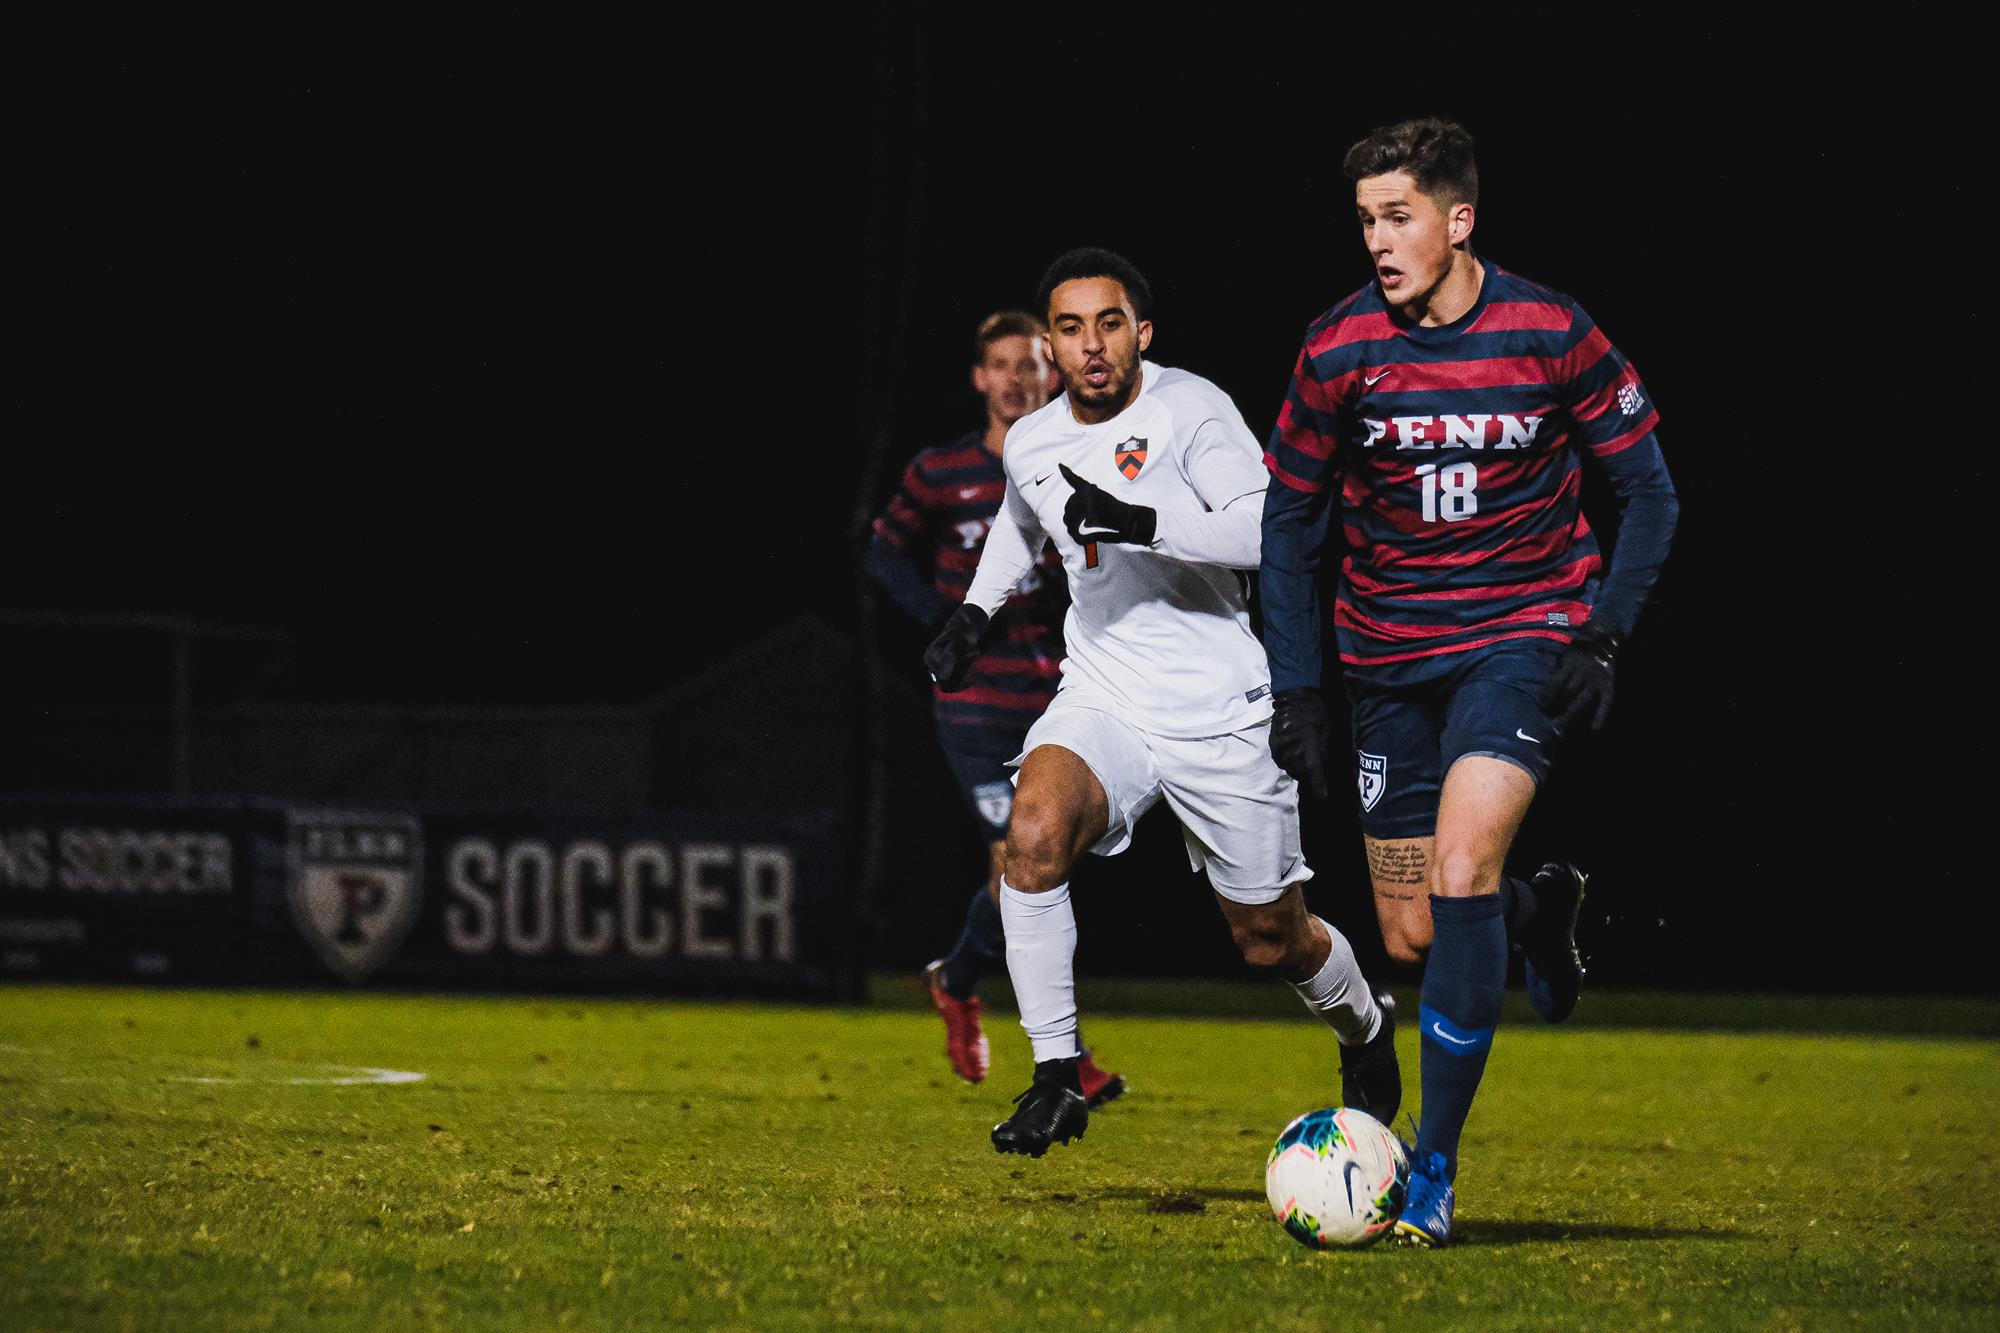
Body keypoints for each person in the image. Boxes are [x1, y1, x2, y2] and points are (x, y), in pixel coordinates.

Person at [1259, 118, 1679, 1245]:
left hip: (1518, 637)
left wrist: (1597, 640)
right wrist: (1297, 688)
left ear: (1457, 219)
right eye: (1363, 221)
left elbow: (1650, 493)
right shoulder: (1337, 347)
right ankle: (1540, 914)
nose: (1377, 241)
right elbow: (1288, 517)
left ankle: (1432, 1173)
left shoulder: (1548, 328)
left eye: (1397, 217)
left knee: (1459, 865)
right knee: (1410, 937)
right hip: (1385, 660)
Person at [926, 248, 1400, 1159]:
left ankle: (1364, 1028)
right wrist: (975, 612)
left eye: (1109, 323)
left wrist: (1142, 520)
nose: (1091, 345)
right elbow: (1027, 522)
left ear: (1142, 332)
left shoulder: (1192, 408)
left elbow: (1266, 531)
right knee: (1032, 835)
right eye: (1070, 328)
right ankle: (1056, 1075)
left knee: (1271, 939)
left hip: (1220, 703)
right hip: (1103, 690)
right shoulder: (1032, 439)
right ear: (1049, 345)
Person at [865, 310, 1124, 1107]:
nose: (1016, 377)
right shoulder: (943, 470)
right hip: (976, 706)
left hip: (1058, 693)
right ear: (979, 378)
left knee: (1039, 865)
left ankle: (958, 974)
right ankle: (1065, 1056)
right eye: (1001, 364)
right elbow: (882, 549)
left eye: (1030, 364)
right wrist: (945, 619)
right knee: (1020, 862)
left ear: (1052, 374)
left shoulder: (1072, 461)